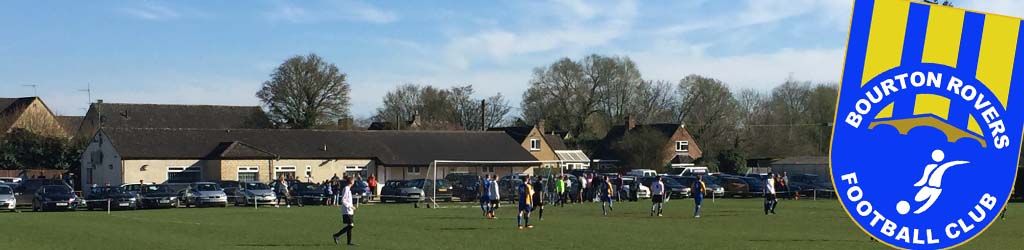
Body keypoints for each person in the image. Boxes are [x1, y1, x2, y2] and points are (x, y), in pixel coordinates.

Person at [332, 176, 357, 246]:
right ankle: (336, 235)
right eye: (353, 180)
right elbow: (343, 200)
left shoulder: (349, 189)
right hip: (347, 211)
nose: (354, 182)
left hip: (350, 211)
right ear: (351, 181)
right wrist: (350, 206)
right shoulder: (346, 189)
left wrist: (352, 207)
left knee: (349, 226)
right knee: (351, 225)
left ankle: (349, 242)